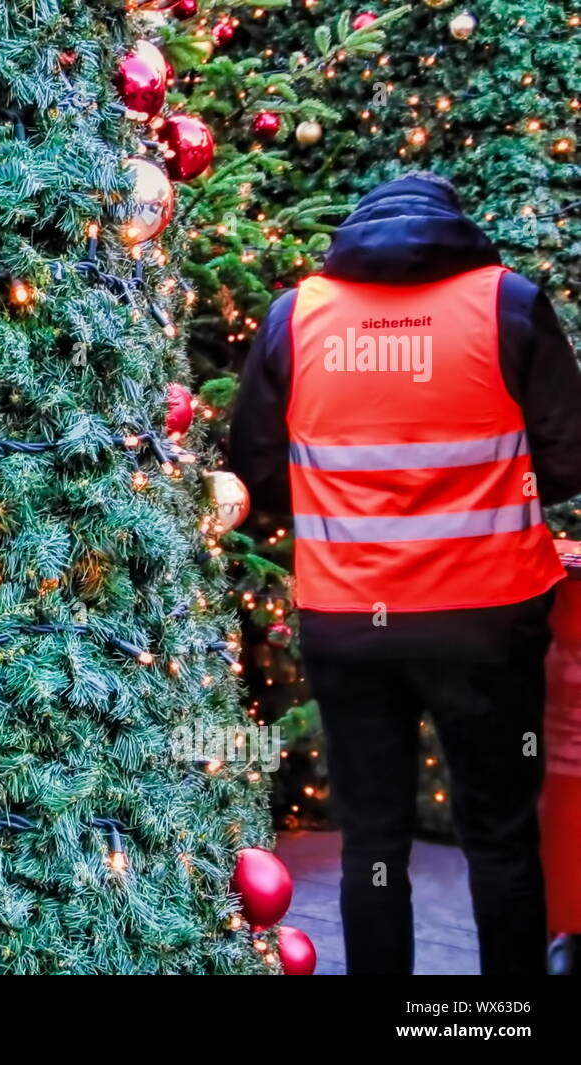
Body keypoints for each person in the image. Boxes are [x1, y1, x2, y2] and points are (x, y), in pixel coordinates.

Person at [230, 171, 581, 975]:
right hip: (489, 620)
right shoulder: (508, 305)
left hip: (350, 619)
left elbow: (256, 470)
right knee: (500, 839)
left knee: (373, 842)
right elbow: (569, 459)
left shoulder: (296, 316)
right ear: (454, 228)